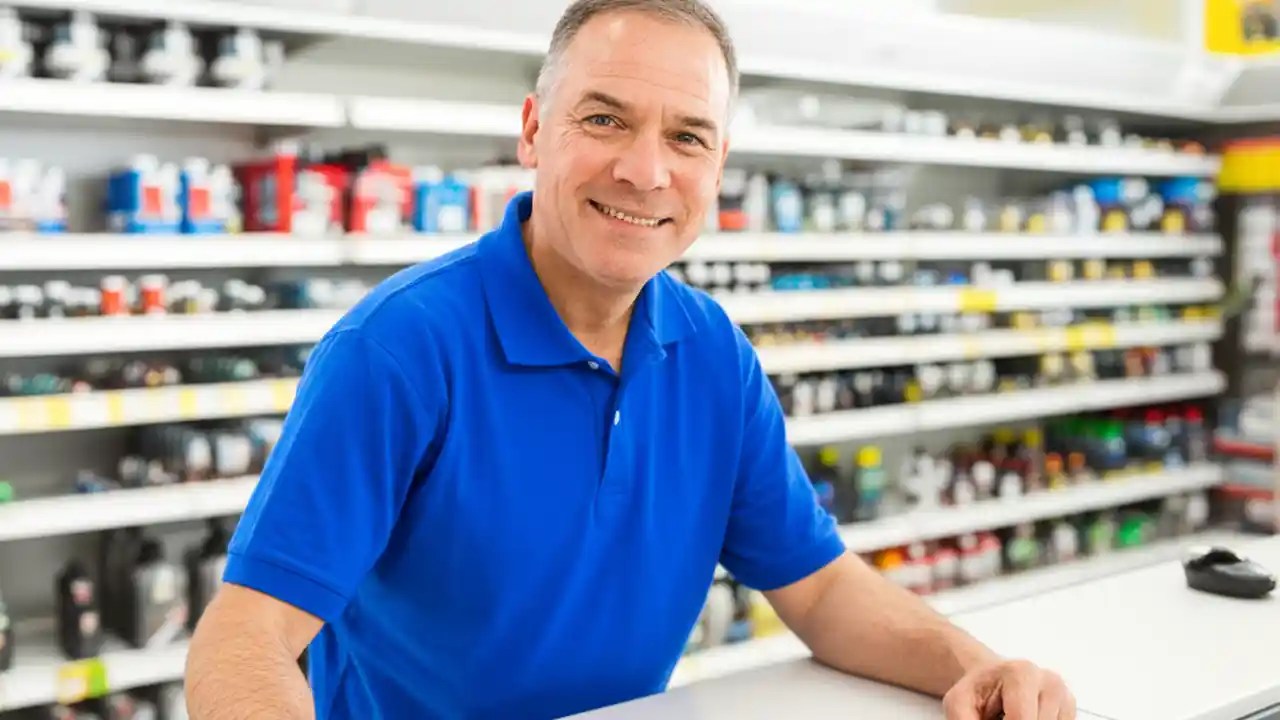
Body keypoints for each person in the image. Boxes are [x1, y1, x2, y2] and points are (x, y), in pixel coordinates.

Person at [184, 1, 1077, 718]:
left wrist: (979, 668)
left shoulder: (713, 356)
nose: (645, 171)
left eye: (687, 136)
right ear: (534, 131)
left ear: (719, 164)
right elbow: (245, 640)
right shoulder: (399, 350)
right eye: (605, 119)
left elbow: (824, 592)